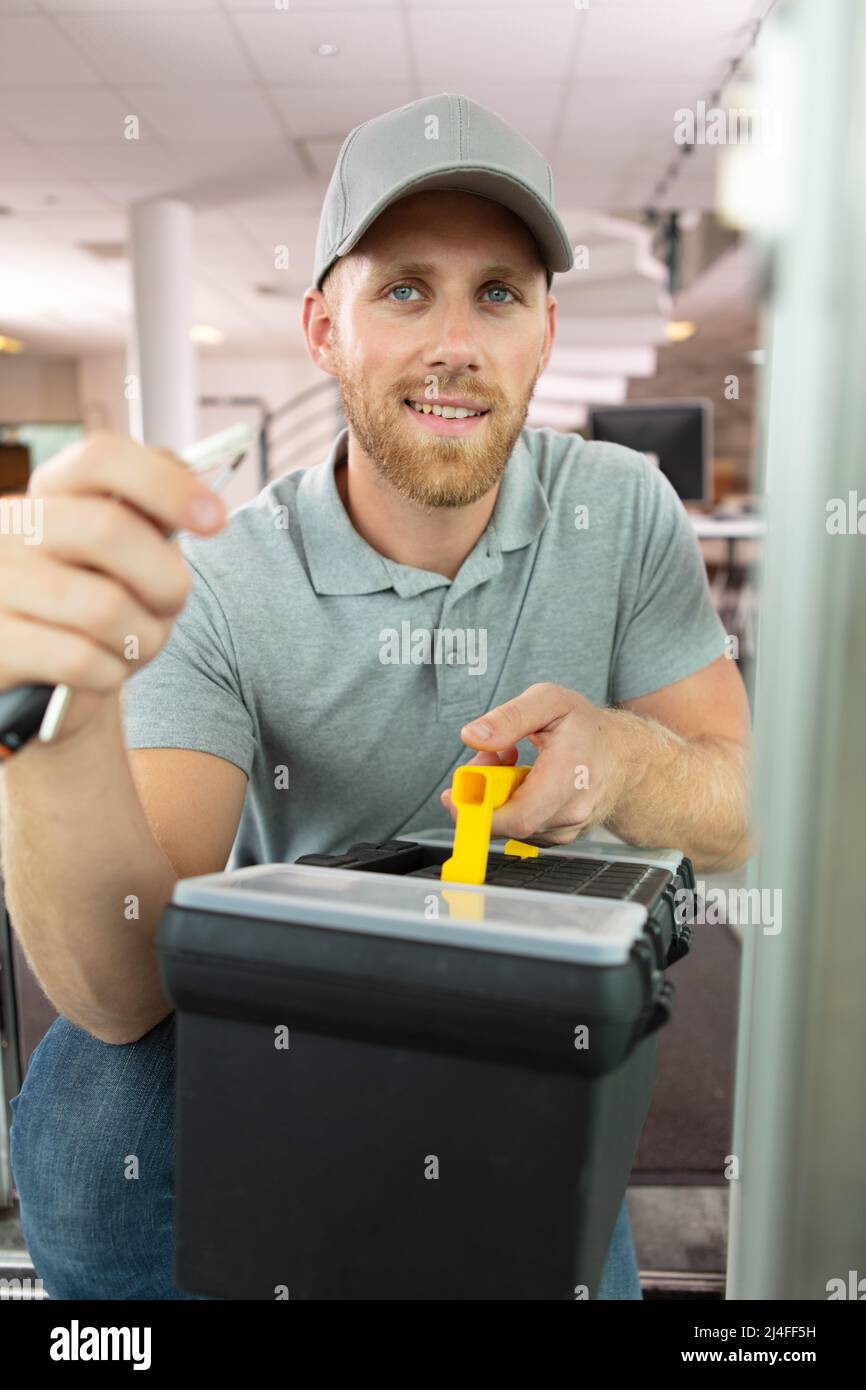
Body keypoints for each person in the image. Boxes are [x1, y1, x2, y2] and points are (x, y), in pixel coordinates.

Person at [0, 95, 753, 1300]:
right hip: (309, 996)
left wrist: (622, 761)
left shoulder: (620, 512)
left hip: (521, 996)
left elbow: (736, 806)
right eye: (403, 289)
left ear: (546, 330)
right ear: (321, 329)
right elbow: (119, 981)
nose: (454, 341)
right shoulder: (226, 576)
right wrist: (49, 715)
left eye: (496, 293)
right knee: (97, 1114)